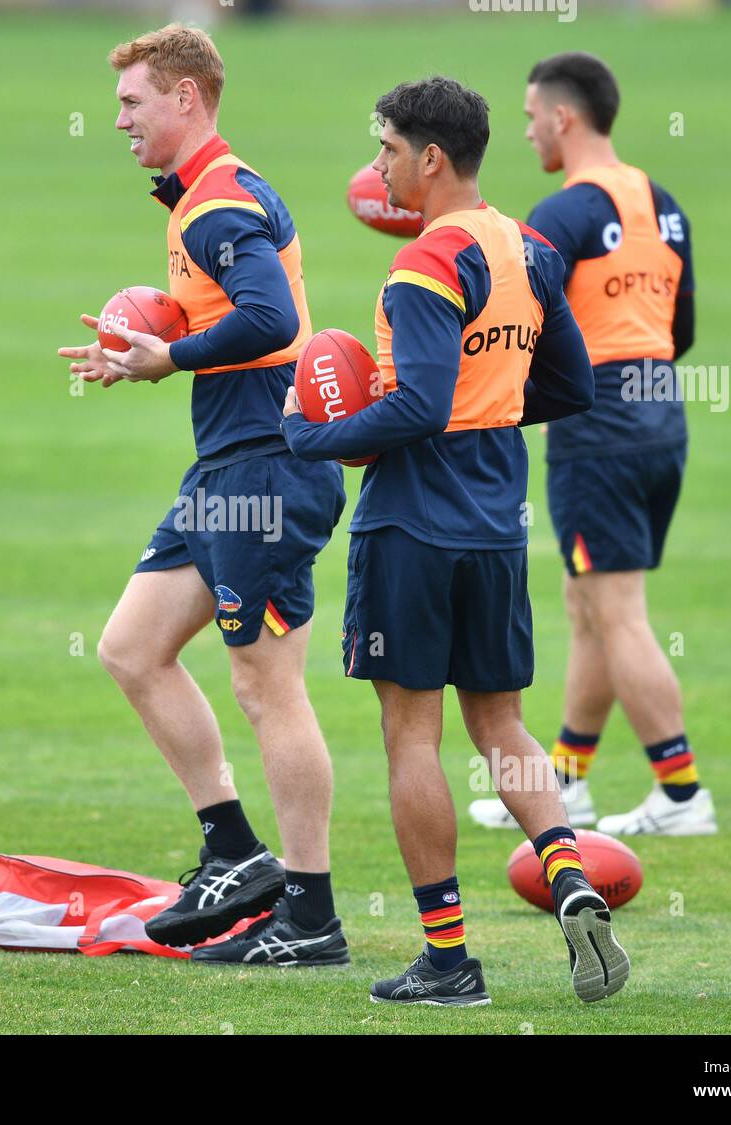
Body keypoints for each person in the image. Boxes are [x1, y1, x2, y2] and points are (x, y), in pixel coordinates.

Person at [281, 76, 628, 1005]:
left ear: (431, 157)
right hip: (495, 527)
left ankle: (447, 959)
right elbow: (571, 388)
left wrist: (312, 436)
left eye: (386, 146)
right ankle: (569, 875)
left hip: (412, 527)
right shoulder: (528, 246)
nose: (378, 164)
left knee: (410, 738)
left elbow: (417, 405)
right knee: (502, 724)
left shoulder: (426, 264)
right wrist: (493, 410)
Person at [58, 25, 349, 965]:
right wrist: (144, 351)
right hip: (225, 468)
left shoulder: (216, 209)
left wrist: (169, 355)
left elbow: (271, 317)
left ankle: (311, 918)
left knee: (268, 684)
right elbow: (242, 312)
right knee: (133, 647)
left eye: (133, 102)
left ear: (187, 99)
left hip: (266, 464)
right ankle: (233, 850)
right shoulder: (212, 196)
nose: (119, 120)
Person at [469, 52, 716, 837]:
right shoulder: (664, 203)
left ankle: (681, 794)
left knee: (617, 611)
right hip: (658, 417)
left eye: (531, 115)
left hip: (599, 427)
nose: (529, 129)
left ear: (563, 118)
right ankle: (567, 781)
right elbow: (680, 331)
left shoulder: (563, 212)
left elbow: (519, 310)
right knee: (590, 606)